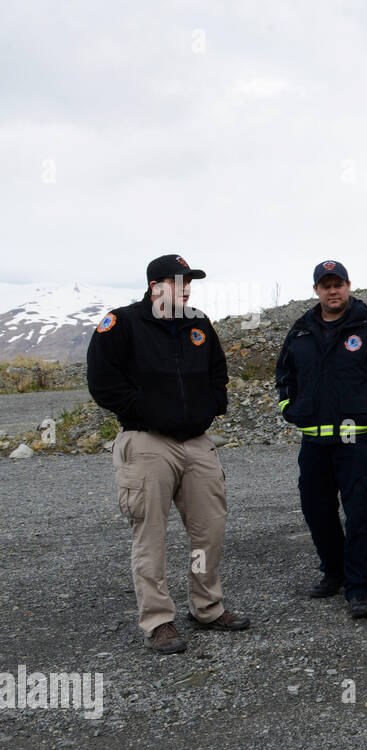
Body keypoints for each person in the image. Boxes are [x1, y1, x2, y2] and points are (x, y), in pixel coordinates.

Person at [86, 254, 250, 655]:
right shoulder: (122, 323)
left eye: (190, 281)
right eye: (179, 281)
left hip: (196, 442)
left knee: (208, 529)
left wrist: (212, 406)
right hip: (146, 442)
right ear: (156, 286)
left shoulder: (198, 323)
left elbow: (217, 372)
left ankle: (207, 607)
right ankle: (159, 620)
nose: (188, 288)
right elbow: (102, 381)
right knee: (150, 534)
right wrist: (145, 410)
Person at [275, 261, 367, 619]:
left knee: (359, 515)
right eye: (325, 285)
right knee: (317, 511)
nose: (332, 291)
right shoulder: (301, 331)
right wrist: (288, 407)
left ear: (349, 285)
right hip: (314, 443)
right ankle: (333, 573)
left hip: (359, 442)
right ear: (316, 290)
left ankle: (359, 589)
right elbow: (284, 375)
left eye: (338, 284)